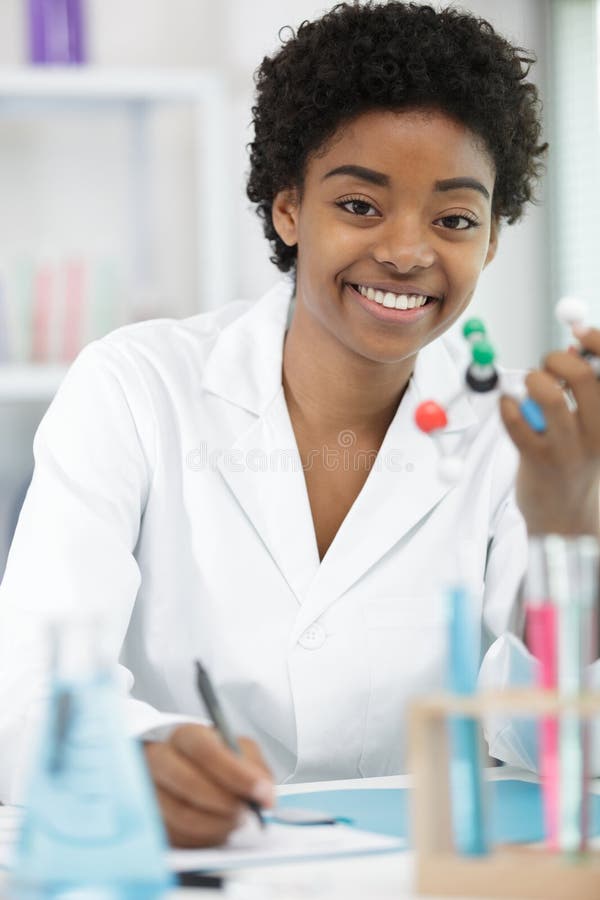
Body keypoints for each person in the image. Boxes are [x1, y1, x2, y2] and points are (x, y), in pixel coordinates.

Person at [0, 1, 599, 849]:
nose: (406, 250)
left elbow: (563, 747)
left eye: (455, 219)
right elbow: (25, 684)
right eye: (359, 205)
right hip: (188, 867)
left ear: (493, 239)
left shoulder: (523, 434)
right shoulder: (134, 388)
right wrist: (135, 755)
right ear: (289, 209)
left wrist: (571, 530)